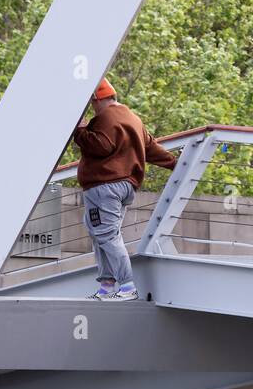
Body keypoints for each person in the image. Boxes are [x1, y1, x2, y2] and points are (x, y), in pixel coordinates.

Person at [73, 79, 177, 301]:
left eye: (91, 104)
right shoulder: (133, 118)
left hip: (104, 185)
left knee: (106, 235)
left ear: (96, 98)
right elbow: (150, 148)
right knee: (101, 233)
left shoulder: (105, 118)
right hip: (125, 186)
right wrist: (175, 164)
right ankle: (107, 286)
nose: (92, 109)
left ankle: (127, 286)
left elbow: (101, 146)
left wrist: (81, 131)